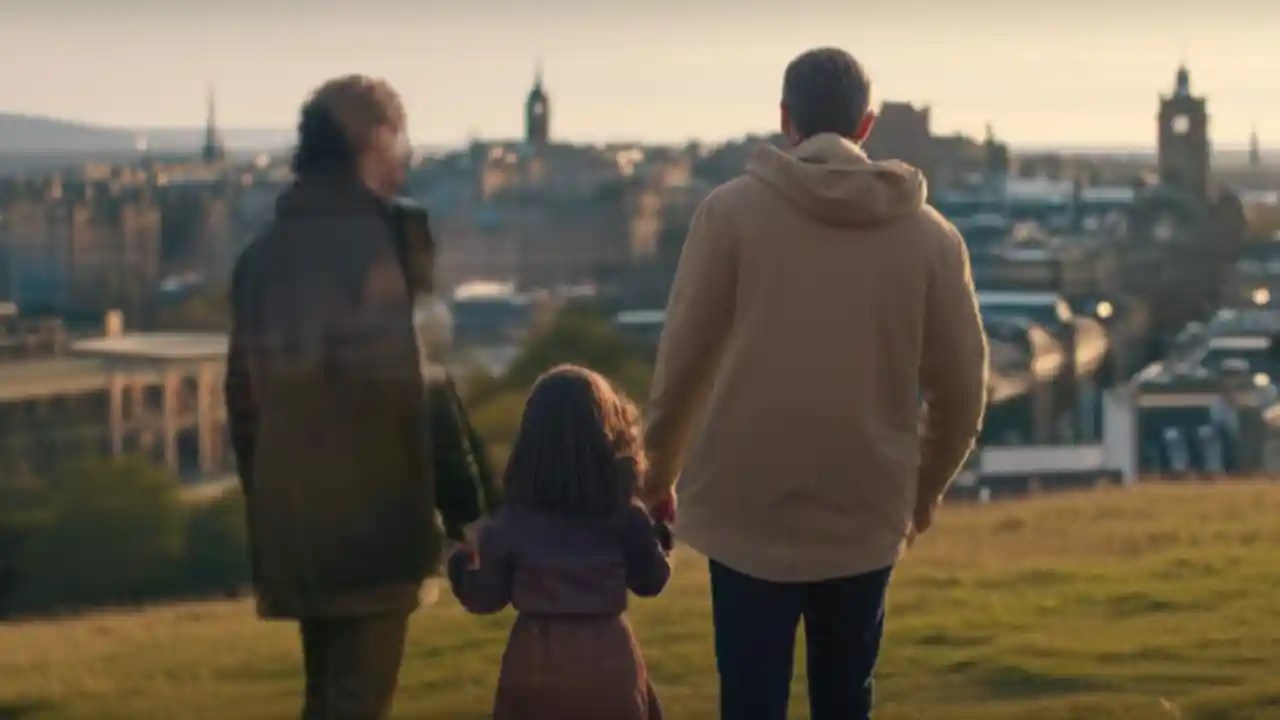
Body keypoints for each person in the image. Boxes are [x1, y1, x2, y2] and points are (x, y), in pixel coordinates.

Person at [643, 48, 989, 720]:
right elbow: (963, 395)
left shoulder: (729, 215)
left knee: (750, 702)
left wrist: (655, 480)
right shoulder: (932, 239)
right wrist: (919, 495)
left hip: (746, 507)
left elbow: (681, 368)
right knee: (845, 700)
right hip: (866, 506)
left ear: (785, 118)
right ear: (867, 124)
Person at [225, 75, 493, 720]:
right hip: (376, 520)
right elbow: (426, 387)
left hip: (294, 520)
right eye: (398, 140)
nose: (404, 160)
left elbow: (243, 405)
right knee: (357, 701)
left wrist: (268, 498)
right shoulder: (394, 240)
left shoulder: (260, 256)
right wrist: (472, 513)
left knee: (326, 695)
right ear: (371, 141)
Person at [448, 365, 673, 720]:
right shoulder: (624, 516)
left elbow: (484, 598)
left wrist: (461, 563)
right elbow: (651, 581)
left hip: (533, 661)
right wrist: (659, 534)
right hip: (610, 658)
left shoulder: (510, 522)